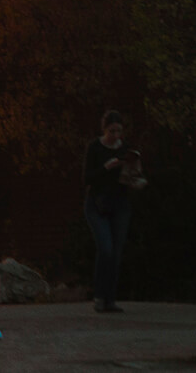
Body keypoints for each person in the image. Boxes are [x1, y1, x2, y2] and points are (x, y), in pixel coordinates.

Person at [84, 110, 136, 313]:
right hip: (97, 204)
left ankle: (110, 298)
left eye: (119, 131)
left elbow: (129, 176)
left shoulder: (125, 149)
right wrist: (106, 167)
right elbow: (87, 178)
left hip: (119, 204)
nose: (116, 135)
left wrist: (134, 176)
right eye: (112, 131)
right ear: (104, 130)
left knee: (116, 251)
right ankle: (99, 295)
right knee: (105, 248)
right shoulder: (95, 148)